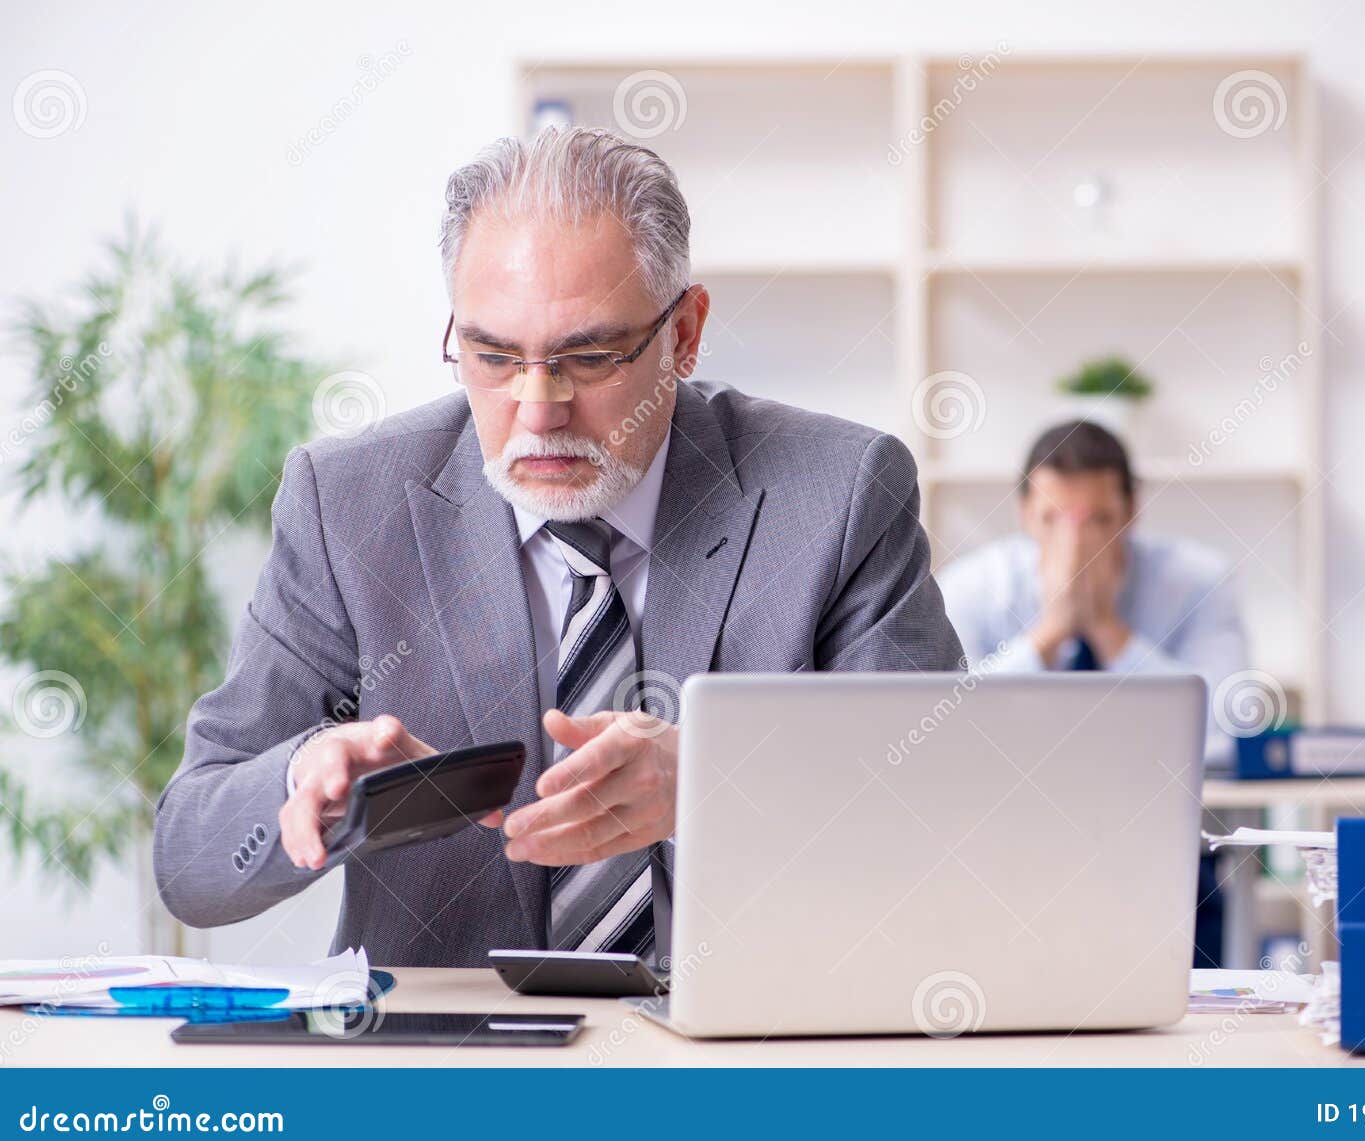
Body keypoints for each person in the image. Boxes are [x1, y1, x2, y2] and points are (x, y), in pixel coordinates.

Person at [153, 127, 963, 966]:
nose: (538, 410)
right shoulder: (348, 506)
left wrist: (721, 786)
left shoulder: (837, 494)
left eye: (589, 356)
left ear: (685, 333)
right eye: (494, 356)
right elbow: (190, 864)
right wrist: (301, 781)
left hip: (744, 1054)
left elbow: (949, 812)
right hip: (446, 1071)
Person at [936, 420, 1249, 965]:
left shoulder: (1198, 581)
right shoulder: (973, 588)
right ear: (1023, 515)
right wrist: (1047, 635)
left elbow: (1226, 733)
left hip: (1156, 845)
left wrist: (1109, 630)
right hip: (1009, 846)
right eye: (1052, 518)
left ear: (1132, 511)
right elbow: (947, 730)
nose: (1075, 542)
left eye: (1098, 520)